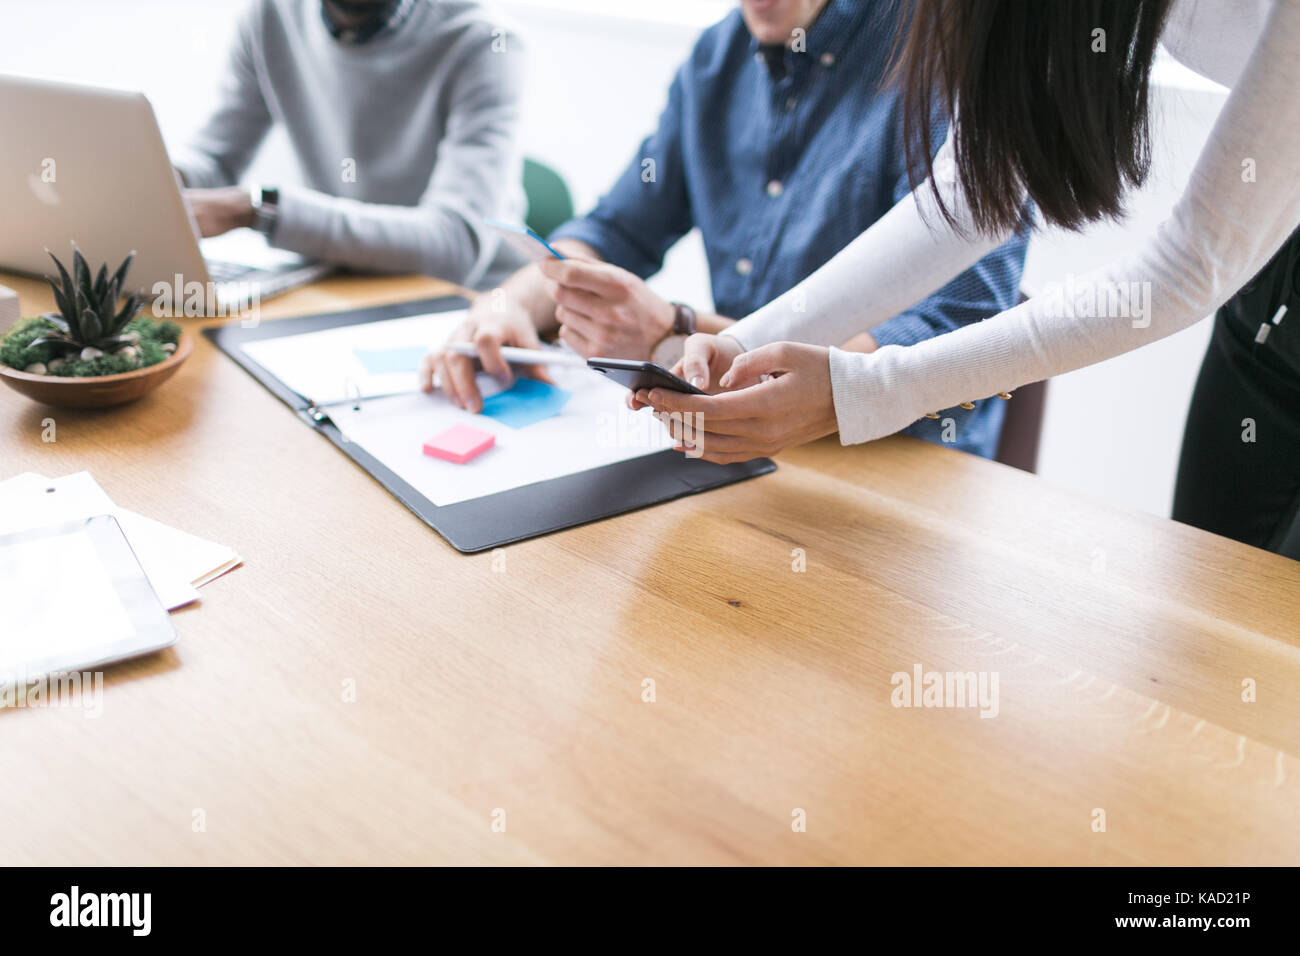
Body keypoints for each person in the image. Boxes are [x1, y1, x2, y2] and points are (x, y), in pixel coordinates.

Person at [642, 0, 1300, 558]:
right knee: (1215, 593)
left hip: (1250, 250)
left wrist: (863, 391)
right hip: (1271, 289)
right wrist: (747, 342)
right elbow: (968, 199)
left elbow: (1190, 267)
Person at [422, 0, 1028, 459]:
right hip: (738, 450)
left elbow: (952, 334)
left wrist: (676, 334)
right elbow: (615, 228)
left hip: (899, 471)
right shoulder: (718, 56)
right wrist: (509, 305)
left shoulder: (942, 53)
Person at [172, 0, 527, 289]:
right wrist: (157, 178)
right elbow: (215, 158)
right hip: (338, 279)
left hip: (467, 304)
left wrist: (258, 208)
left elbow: (454, 245)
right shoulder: (270, 15)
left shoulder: (486, 41)